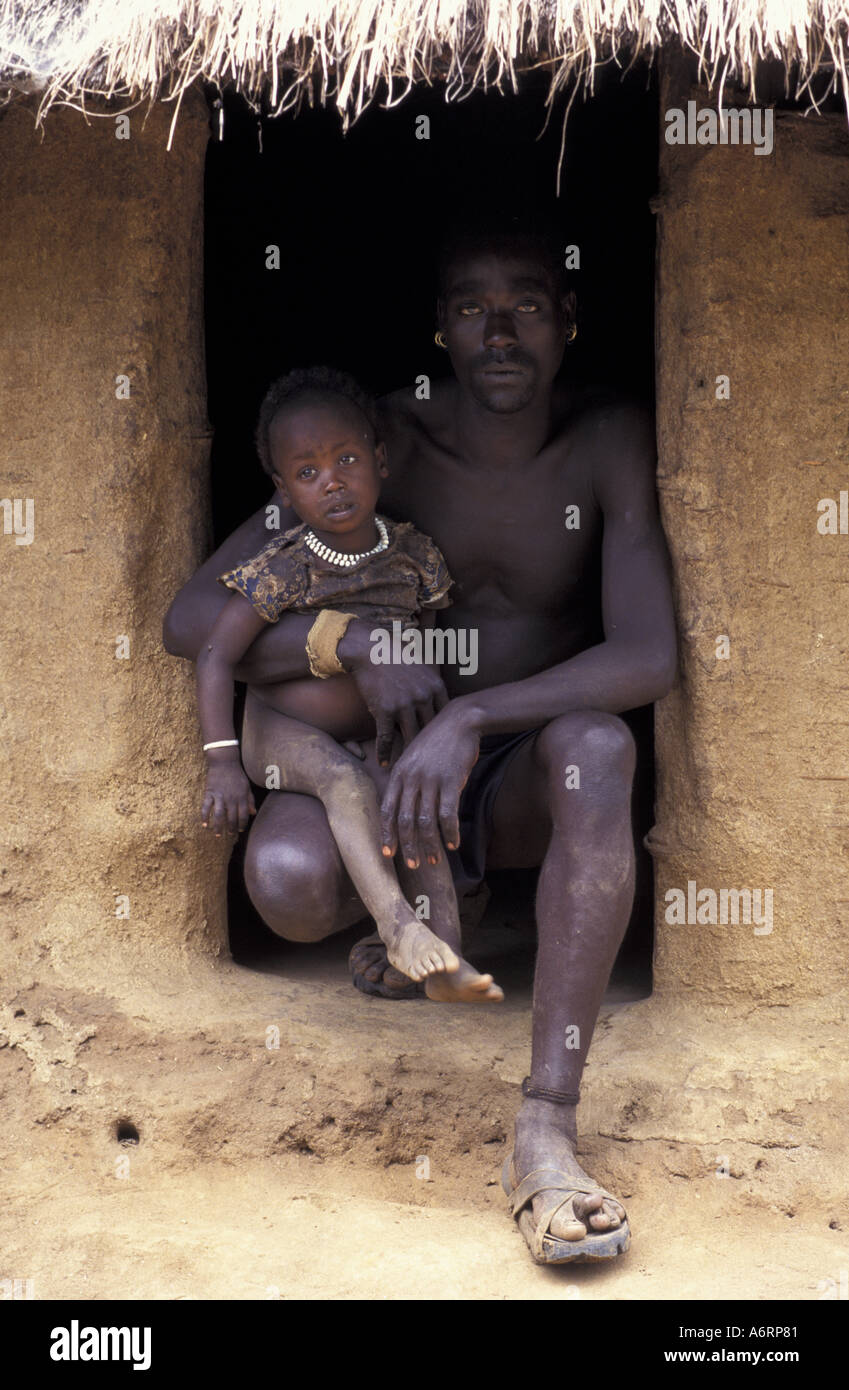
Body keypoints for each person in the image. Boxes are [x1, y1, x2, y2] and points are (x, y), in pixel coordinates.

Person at [164, 218, 677, 1262]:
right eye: (472, 308)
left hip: (512, 765)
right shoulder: (379, 448)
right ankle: (434, 907)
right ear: (436, 327)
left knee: (601, 751)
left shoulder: (608, 438)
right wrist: (343, 639)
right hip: (383, 766)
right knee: (292, 884)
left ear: (570, 318)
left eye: (528, 304)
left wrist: (474, 712)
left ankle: (544, 1129)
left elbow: (649, 655)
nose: (500, 332)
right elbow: (193, 619)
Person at [196, 366, 503, 1004]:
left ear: (380, 459)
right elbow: (214, 655)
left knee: (408, 798)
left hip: (373, 731)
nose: (331, 480)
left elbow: (420, 659)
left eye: (346, 458)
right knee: (344, 783)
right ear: (282, 489)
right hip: (283, 735)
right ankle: (397, 929)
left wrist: (418, 742)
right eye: (307, 473)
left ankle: (447, 950)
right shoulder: (284, 567)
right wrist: (221, 761)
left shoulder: (415, 558)